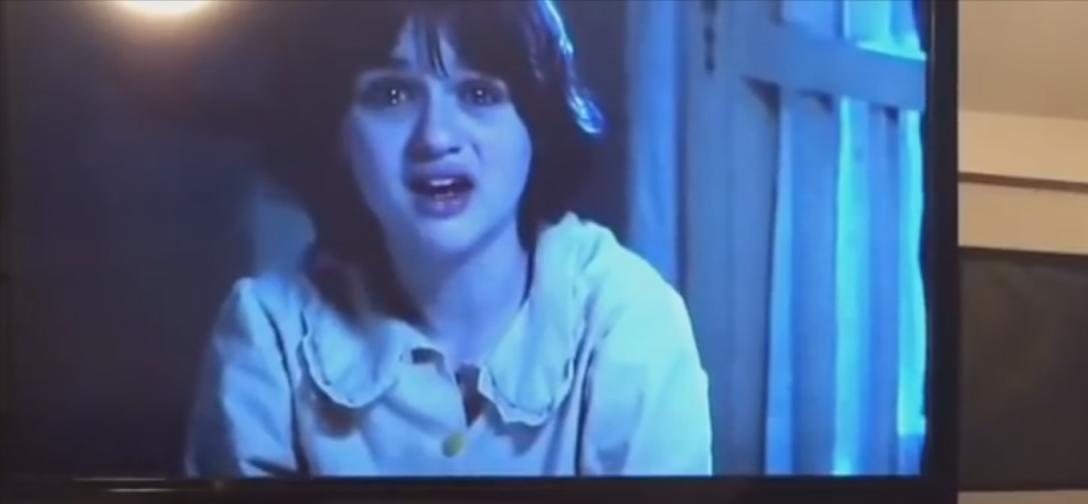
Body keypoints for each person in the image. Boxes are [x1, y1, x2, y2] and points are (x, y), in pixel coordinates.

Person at [184, 0, 713, 478]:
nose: (436, 137)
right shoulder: (268, 334)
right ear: (337, 132)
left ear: (538, 124)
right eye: (392, 94)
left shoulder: (626, 317)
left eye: (480, 93)